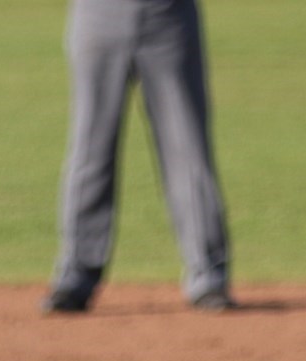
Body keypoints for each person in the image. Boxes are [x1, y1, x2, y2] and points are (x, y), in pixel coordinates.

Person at [43, 0, 232, 313]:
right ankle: (75, 276)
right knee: (90, 150)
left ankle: (208, 276)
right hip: (98, 15)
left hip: (168, 16)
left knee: (187, 150)